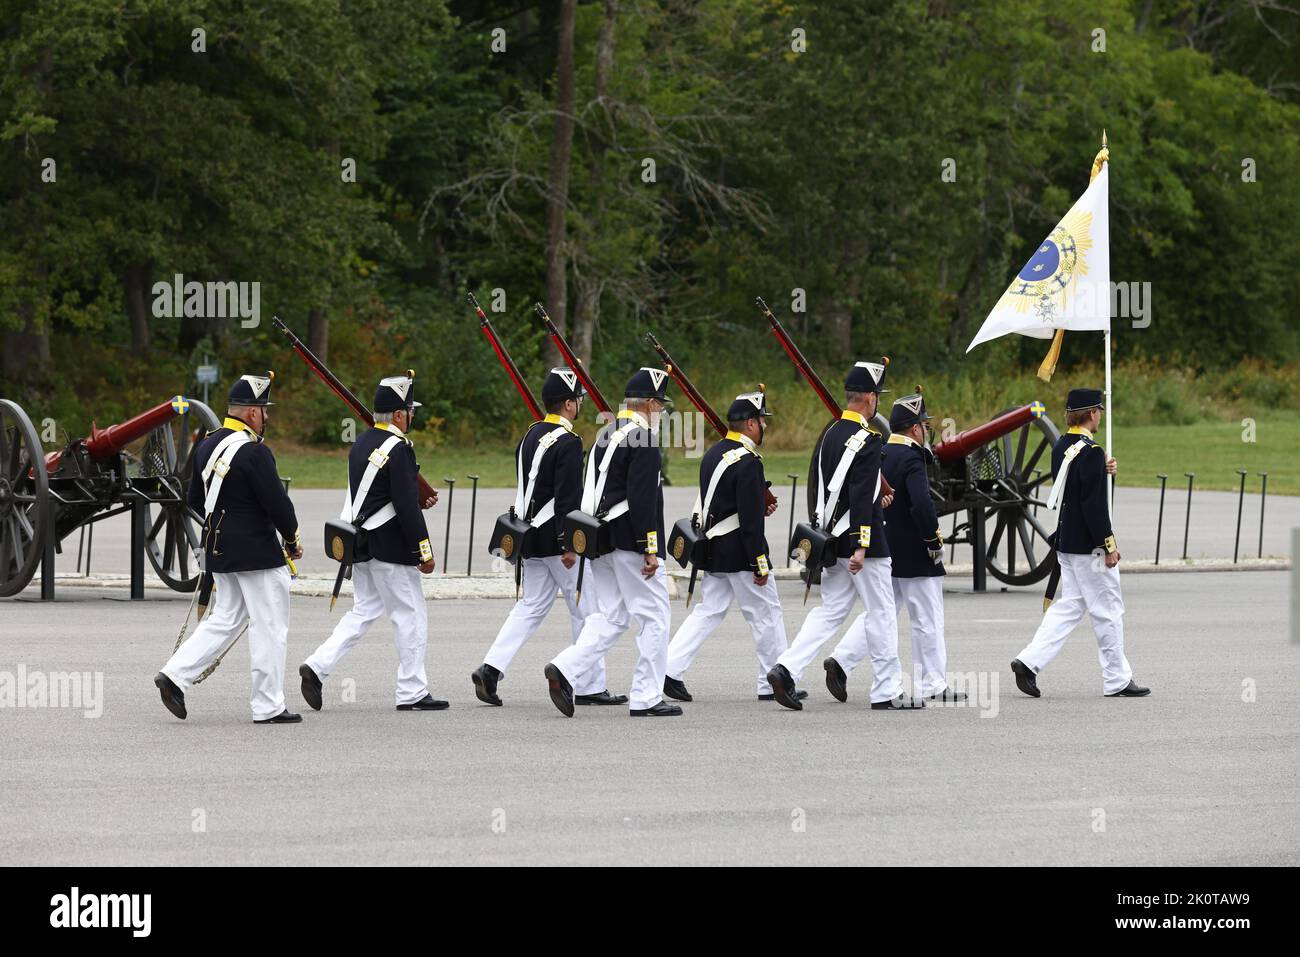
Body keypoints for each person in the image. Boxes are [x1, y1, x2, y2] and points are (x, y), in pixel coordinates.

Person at [768, 360, 921, 712]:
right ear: (869, 398)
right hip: (861, 544)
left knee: (831, 611)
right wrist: (863, 545)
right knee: (882, 611)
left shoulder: (830, 435)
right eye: (876, 395)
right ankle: (887, 689)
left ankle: (786, 667)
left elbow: (838, 490)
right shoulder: (867, 441)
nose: (878, 401)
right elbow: (859, 495)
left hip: (830, 540)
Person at [154, 371, 304, 724]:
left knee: (225, 618)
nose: (267, 416)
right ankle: (268, 706)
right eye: (264, 410)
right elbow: (278, 505)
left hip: (220, 550)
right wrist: (293, 539)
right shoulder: (255, 452)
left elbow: (194, 499)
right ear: (252, 413)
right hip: (257, 554)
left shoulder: (206, 444)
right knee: (269, 626)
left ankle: (175, 675)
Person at [471, 369, 626, 707]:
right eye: (578, 401)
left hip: (529, 537)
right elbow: (567, 497)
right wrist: (571, 543)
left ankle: (491, 668)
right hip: (557, 541)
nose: (580, 406)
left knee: (530, 607)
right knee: (587, 610)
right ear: (569, 404)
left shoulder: (530, 434)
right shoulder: (569, 442)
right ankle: (586, 684)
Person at [299, 374, 447, 711]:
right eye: (409, 410)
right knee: (410, 616)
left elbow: (378, 495)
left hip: (363, 545)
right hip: (392, 549)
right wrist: (424, 551)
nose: (412, 416)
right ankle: (412, 691)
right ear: (397, 415)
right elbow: (406, 509)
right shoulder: (400, 449)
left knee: (363, 611)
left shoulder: (362, 443)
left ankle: (318, 666)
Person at [544, 368, 679, 717]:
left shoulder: (606, 433)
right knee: (655, 618)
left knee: (612, 615)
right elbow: (642, 499)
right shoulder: (645, 439)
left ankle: (565, 666)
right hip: (630, 542)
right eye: (661, 405)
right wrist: (650, 548)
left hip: (598, 539)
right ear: (649, 403)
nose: (662, 412)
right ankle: (647, 696)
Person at [1011, 388, 1149, 698]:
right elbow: (1093, 505)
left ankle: (1029, 662)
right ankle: (1117, 679)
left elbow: (1073, 483)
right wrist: (1108, 544)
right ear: (1091, 413)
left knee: (1071, 606)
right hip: (1091, 547)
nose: (1101, 415)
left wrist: (1104, 470)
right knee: (1109, 610)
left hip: (1066, 542)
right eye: (1098, 410)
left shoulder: (1063, 445)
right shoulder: (1091, 451)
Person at [663, 389, 799, 702]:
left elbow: (724, 502)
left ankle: (668, 668)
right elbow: (751, 523)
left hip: (715, 550)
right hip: (741, 552)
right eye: (762, 421)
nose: (765, 426)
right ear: (751, 424)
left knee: (708, 611)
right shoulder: (748, 462)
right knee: (766, 614)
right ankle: (774, 682)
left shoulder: (715, 453)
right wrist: (760, 562)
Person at [881, 387, 964, 702]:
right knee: (928, 619)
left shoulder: (882, 452)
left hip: (888, 548)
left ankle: (843, 660)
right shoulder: (912, 456)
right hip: (916, 550)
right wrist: (933, 539)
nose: (928, 430)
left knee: (882, 614)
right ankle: (933, 684)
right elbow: (921, 503)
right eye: (925, 425)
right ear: (915, 428)